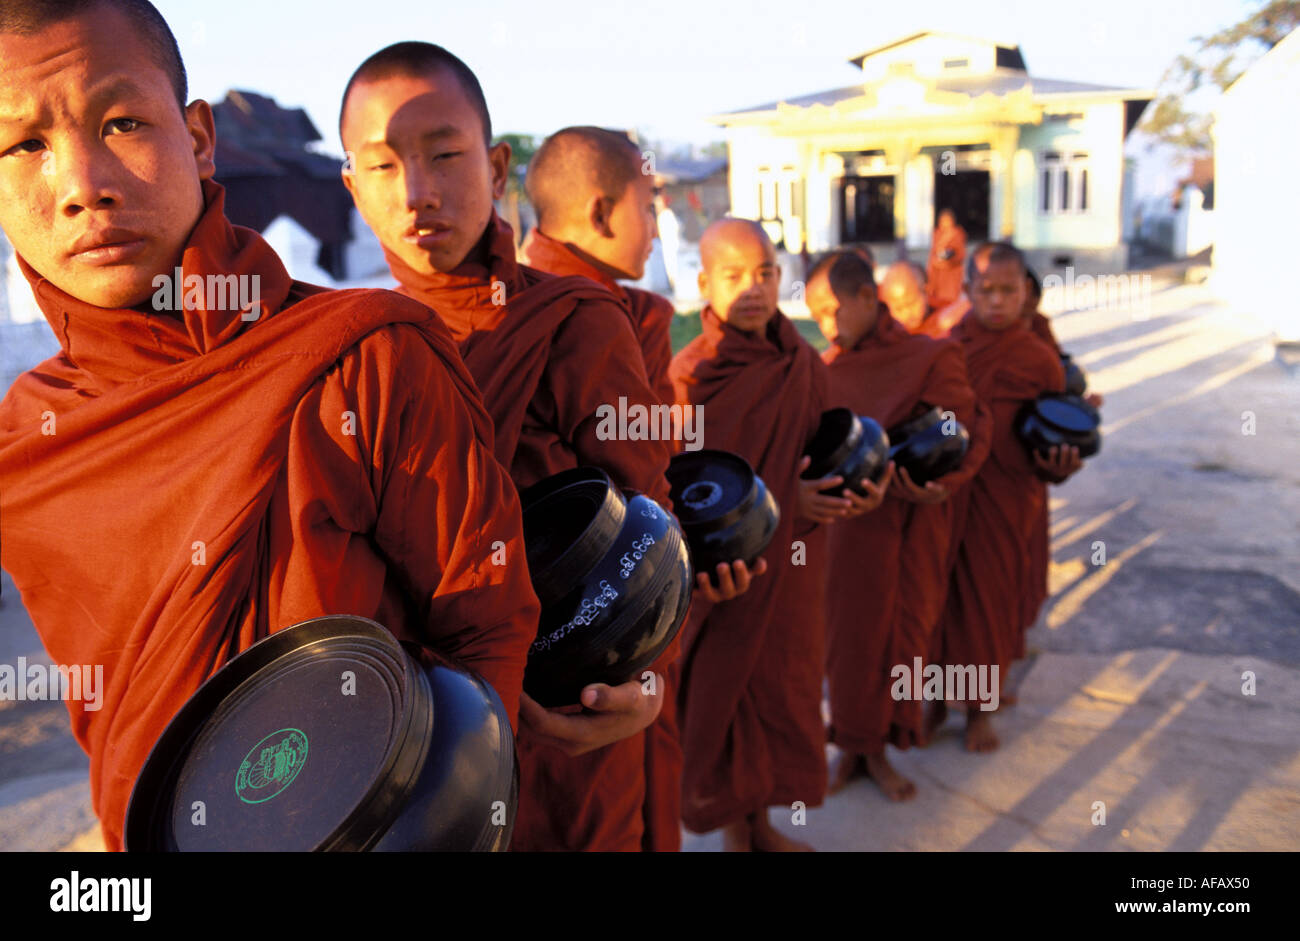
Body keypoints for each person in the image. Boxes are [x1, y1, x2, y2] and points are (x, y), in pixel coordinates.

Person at [0, 0, 540, 852]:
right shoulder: (30, 433)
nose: (81, 185)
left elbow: (485, 631)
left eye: (122, 121)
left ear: (200, 139)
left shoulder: (363, 359)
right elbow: (110, 709)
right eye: (24, 145)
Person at [340, 46, 678, 851]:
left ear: (495, 166)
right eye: (383, 166)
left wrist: (646, 685)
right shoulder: (350, 351)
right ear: (353, 188)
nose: (417, 193)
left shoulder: (573, 320)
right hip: (425, 741)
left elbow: (653, 533)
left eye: (445, 155)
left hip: (570, 718)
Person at [519, 125, 766, 851]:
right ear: (601, 214)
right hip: (582, 649)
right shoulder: (581, 318)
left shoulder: (569, 307)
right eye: (650, 208)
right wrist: (678, 575)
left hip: (556, 645)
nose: (659, 232)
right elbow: (640, 498)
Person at [669, 219, 887, 851]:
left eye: (764, 272)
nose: (754, 288)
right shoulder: (691, 377)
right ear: (705, 283)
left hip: (795, 568)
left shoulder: (801, 361)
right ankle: (739, 835)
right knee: (725, 697)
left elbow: (818, 453)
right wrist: (794, 503)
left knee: (783, 691)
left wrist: (853, 487)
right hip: (729, 576)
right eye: (734, 276)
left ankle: (763, 826)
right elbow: (687, 489)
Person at [807, 250, 988, 800]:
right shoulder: (825, 371)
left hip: (910, 527)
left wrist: (939, 482)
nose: (823, 327)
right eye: (813, 315)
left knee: (900, 639)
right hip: (846, 531)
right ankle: (853, 747)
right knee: (847, 643)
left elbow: (967, 425)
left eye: (829, 311)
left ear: (867, 298)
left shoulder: (930, 355)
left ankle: (880, 748)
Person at [928, 243, 1081, 752]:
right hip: (951, 497)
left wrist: (1060, 465)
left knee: (988, 605)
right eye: (986, 290)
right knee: (941, 601)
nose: (996, 301)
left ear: (1026, 294)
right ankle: (934, 701)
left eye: (1007, 290)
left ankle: (978, 709)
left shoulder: (1040, 361)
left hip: (1007, 499)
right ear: (967, 291)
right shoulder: (948, 349)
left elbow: (1055, 435)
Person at [927, 209, 966, 311]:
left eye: (948, 222)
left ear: (953, 222)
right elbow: (933, 254)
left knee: (950, 304)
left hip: (951, 275)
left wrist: (946, 262)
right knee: (935, 302)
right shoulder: (937, 234)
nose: (945, 225)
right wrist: (935, 263)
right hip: (937, 274)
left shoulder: (957, 235)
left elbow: (960, 256)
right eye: (943, 222)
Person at [878, 261, 929, 333]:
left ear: (926, 292)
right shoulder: (886, 335)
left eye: (911, 303)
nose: (907, 313)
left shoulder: (945, 326)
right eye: (898, 308)